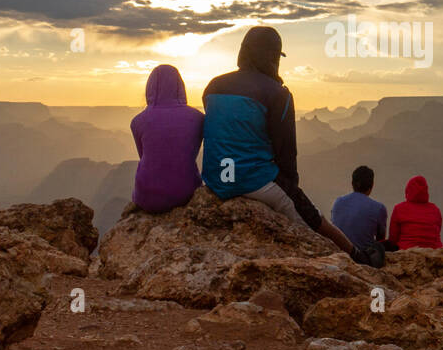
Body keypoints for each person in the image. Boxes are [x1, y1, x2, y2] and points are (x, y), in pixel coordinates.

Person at [200, 26, 357, 257]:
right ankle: (357, 256)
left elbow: (225, 131)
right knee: (311, 217)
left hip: (217, 179)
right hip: (252, 180)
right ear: (272, 57)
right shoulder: (277, 93)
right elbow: (286, 150)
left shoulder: (213, 86)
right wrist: (292, 188)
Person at [128, 64, 204, 213]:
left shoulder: (137, 121)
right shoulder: (198, 118)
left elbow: (144, 156)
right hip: (186, 193)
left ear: (149, 87)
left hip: (146, 198)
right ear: (180, 86)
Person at [331, 165, 393, 263]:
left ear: (352, 183)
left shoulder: (338, 202)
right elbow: (380, 238)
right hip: (362, 258)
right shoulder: (378, 208)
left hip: (338, 254)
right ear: (372, 185)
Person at [389, 175, 443, 250]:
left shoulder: (399, 209)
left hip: (407, 250)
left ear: (408, 190)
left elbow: (393, 238)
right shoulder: (435, 209)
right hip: (434, 251)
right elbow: (438, 230)